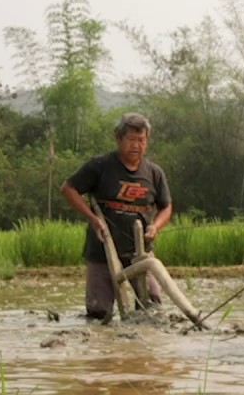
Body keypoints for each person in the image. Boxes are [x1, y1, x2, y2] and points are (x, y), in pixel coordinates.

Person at [61, 112, 173, 319]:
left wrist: (155, 227)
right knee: (99, 312)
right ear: (118, 139)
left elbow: (166, 207)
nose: (136, 145)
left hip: (140, 251)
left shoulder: (154, 173)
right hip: (102, 247)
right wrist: (92, 218)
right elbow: (68, 189)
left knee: (152, 307)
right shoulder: (100, 166)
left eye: (142, 140)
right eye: (131, 140)